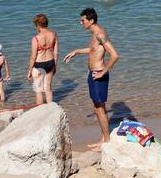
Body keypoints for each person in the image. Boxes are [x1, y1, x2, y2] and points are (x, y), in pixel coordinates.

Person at [63, 8, 119, 146]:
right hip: (93, 74)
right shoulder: (95, 33)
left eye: (83, 20)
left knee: (99, 109)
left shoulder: (99, 34)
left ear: (91, 20)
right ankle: (103, 139)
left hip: (98, 75)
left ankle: (106, 141)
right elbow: (94, 50)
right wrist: (77, 51)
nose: (80, 22)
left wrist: (103, 72)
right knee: (98, 108)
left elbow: (114, 55)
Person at [28, 13, 59, 105]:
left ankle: (40, 111)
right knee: (48, 88)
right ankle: (51, 109)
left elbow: (33, 57)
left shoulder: (36, 38)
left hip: (39, 65)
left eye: (35, 25)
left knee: (38, 89)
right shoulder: (54, 35)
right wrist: (55, 66)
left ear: (38, 25)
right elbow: (56, 53)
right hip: (50, 63)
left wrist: (29, 70)